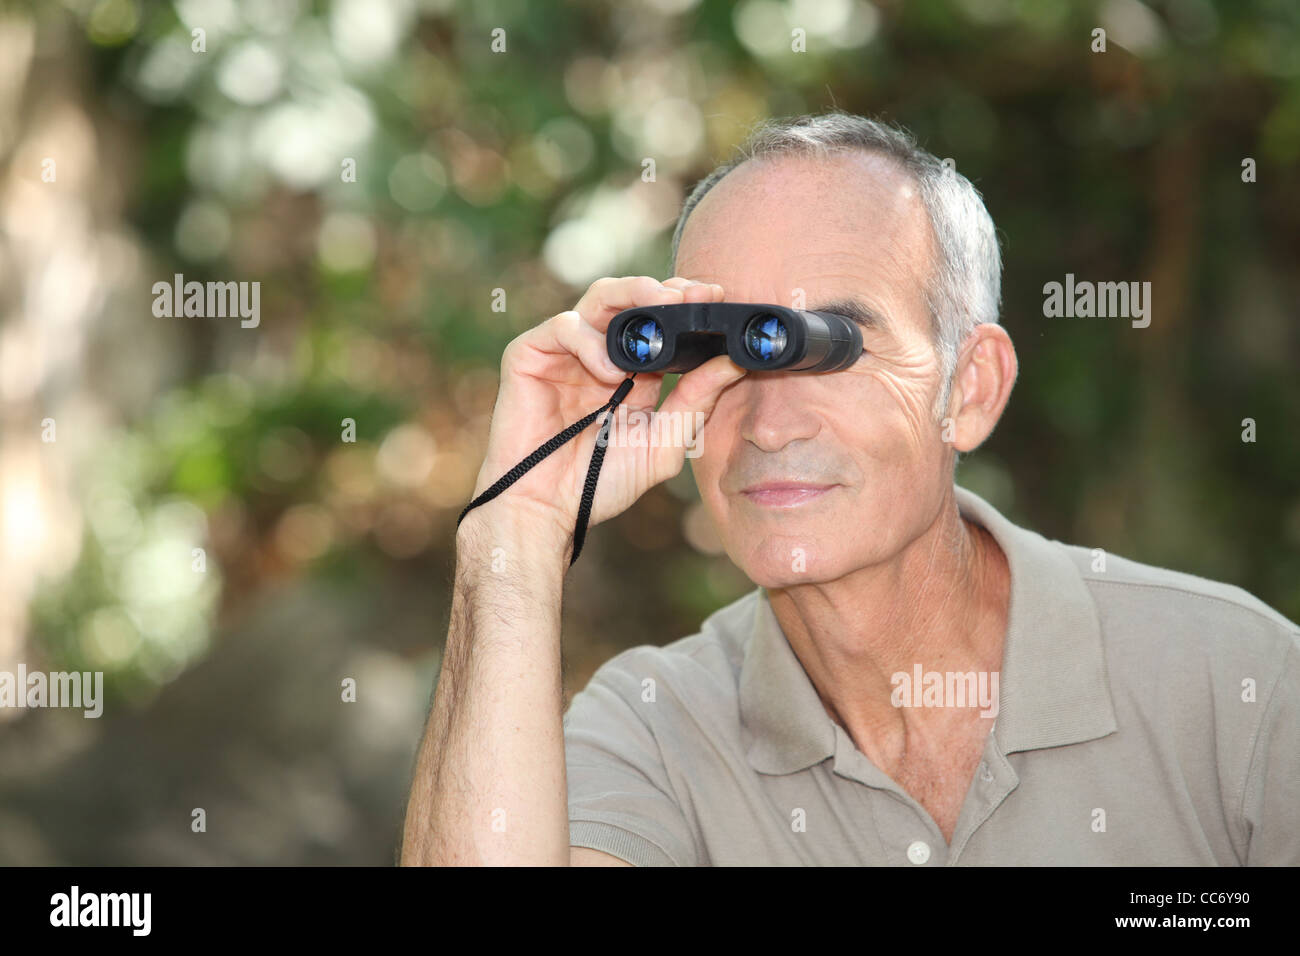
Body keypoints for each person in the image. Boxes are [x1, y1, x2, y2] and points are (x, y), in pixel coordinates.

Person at [400, 112, 1300, 866]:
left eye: (827, 346)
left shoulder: (1237, 689)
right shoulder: (657, 731)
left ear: (969, 389)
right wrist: (514, 534)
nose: (769, 424)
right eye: (721, 353)